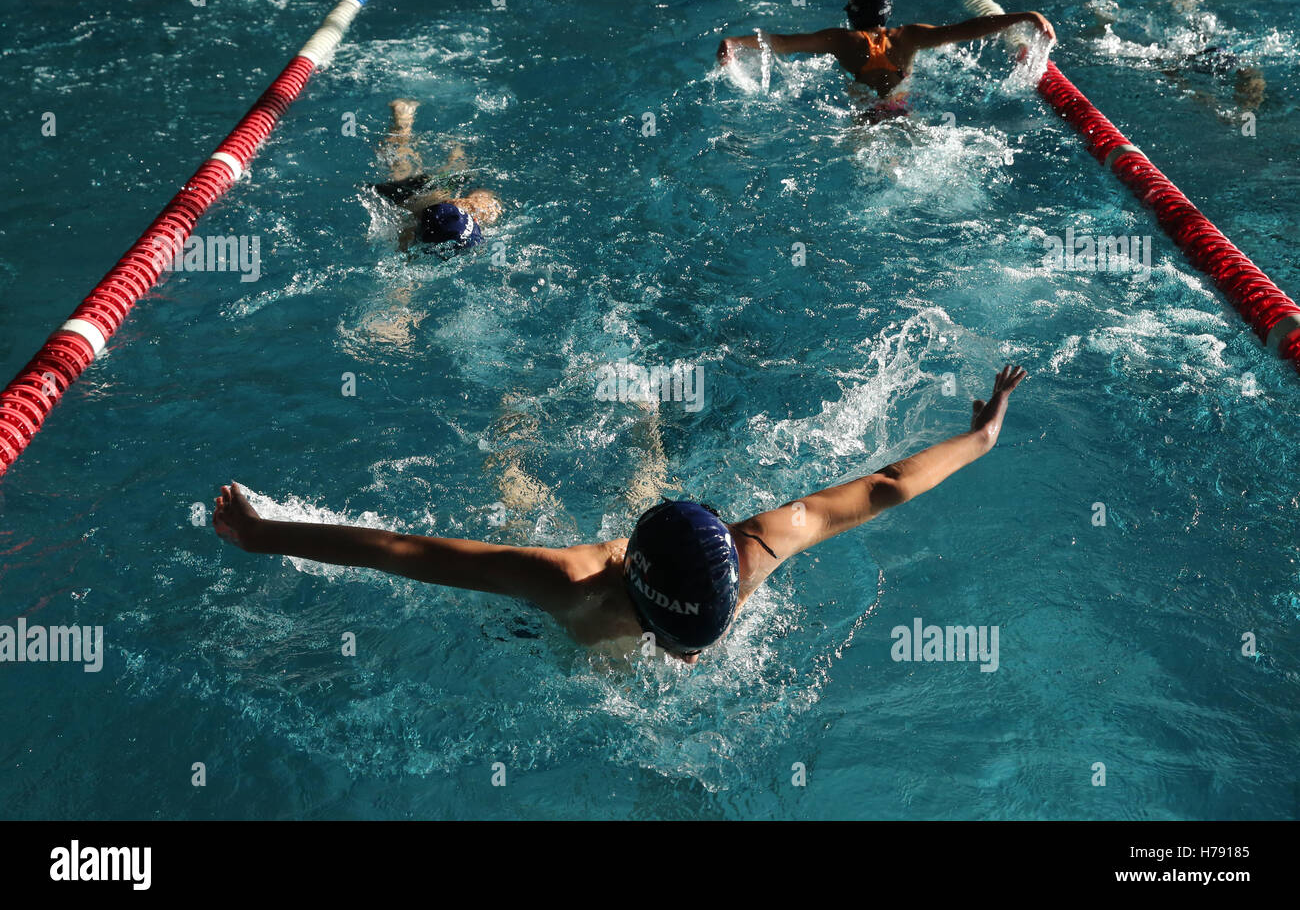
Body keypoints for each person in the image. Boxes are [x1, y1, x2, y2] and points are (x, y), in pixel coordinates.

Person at [213, 366, 1028, 665]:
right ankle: (513, 433)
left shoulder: (754, 550)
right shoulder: (567, 581)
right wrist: (263, 534)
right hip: (593, 577)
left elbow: (887, 485)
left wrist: (982, 437)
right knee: (517, 498)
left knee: (653, 488)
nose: (687, 662)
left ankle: (643, 414)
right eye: (684, 644)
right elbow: (398, 549)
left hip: (650, 553)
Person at [716, 0, 1054, 119]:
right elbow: (970, 29)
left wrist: (733, 43)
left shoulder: (842, 41)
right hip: (904, 113)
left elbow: (782, 44)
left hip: (864, 119)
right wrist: (1026, 16)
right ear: (887, 12)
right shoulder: (909, 37)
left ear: (853, 12)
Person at [370, 99, 502, 251]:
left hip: (429, 194)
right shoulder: (409, 233)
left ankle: (453, 140)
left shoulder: (477, 210)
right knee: (401, 166)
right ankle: (404, 120)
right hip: (409, 197)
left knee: (457, 168)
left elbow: (485, 196)